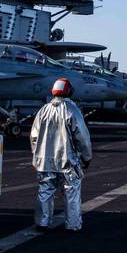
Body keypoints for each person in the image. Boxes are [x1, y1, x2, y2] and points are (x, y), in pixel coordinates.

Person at [30, 77, 93, 232]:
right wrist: (87, 157)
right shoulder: (72, 110)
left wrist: (37, 154)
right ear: (69, 91)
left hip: (44, 160)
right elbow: (82, 137)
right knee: (71, 192)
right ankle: (73, 225)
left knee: (44, 191)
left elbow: (34, 136)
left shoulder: (43, 110)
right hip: (68, 160)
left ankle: (42, 222)